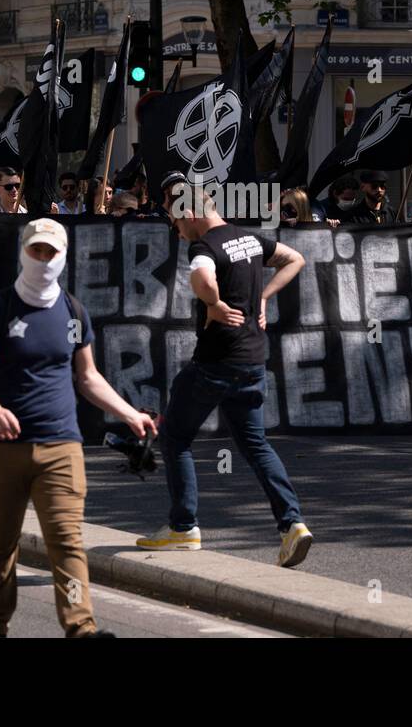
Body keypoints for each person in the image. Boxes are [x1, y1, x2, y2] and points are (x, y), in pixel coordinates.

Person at [0, 218, 158, 637]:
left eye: (51, 252)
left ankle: (81, 628)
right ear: (22, 252)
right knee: (0, 543)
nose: (43, 259)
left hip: (61, 447)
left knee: (67, 542)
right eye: (36, 250)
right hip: (2, 448)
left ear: (64, 256)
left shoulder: (74, 310)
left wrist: (129, 414)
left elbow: (88, 378)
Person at [139, 182, 312, 566]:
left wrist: (214, 303)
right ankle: (292, 524)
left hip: (216, 362)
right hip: (252, 361)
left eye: (175, 221)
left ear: (189, 213)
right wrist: (263, 297)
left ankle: (183, 529)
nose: (177, 230)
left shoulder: (204, 247)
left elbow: (201, 277)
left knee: (175, 436)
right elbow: (295, 258)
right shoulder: (250, 239)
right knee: (256, 445)